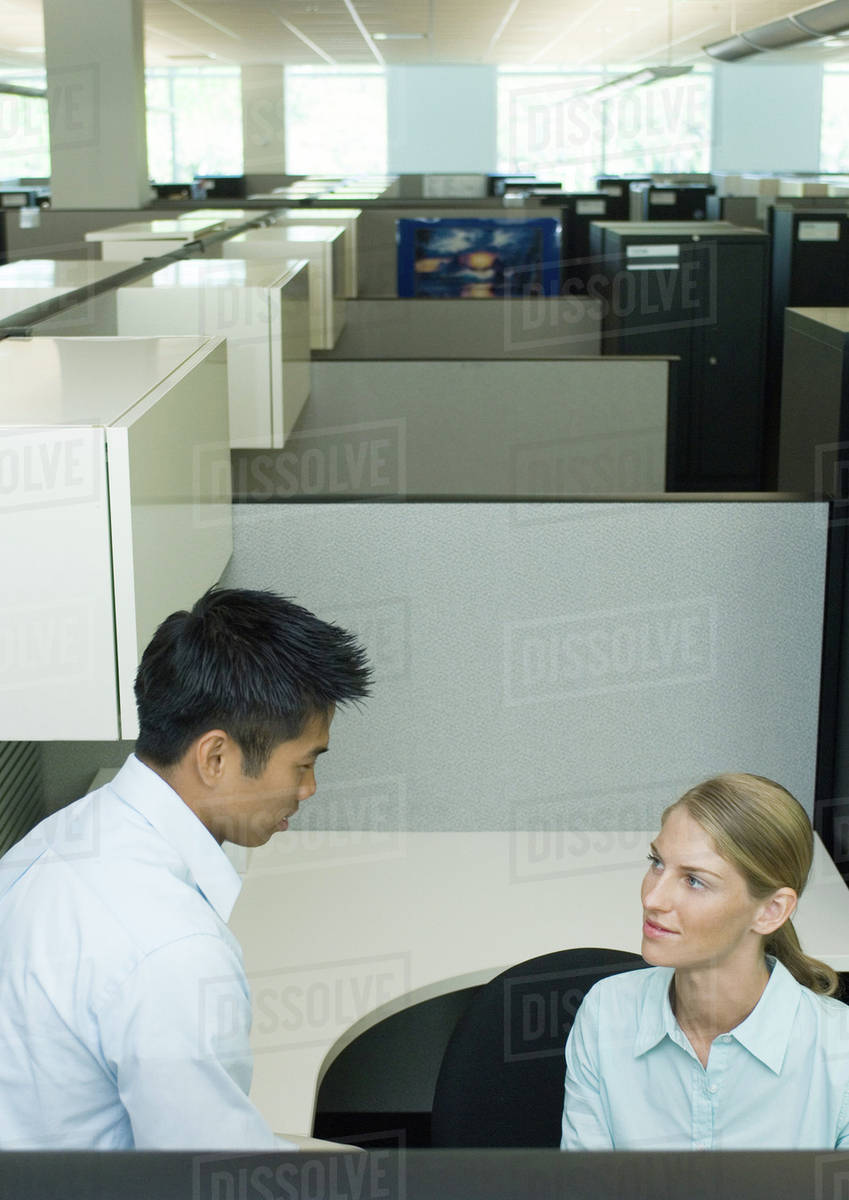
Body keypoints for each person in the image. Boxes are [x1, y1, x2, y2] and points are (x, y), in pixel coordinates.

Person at [0, 587, 371, 1150]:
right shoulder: (173, 953)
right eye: (301, 764)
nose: (309, 789)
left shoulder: (56, 838)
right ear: (215, 757)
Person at [561, 773, 849, 1150]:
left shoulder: (838, 1053)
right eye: (657, 863)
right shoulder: (606, 1014)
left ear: (770, 911)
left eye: (694, 880)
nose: (653, 898)